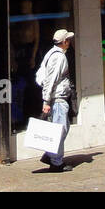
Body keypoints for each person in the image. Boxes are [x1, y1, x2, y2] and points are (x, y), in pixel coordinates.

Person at [37, 29, 75, 172]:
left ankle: (50, 155)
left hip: (56, 97)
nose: (69, 42)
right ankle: (56, 163)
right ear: (64, 42)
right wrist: (46, 101)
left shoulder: (50, 54)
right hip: (58, 98)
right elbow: (50, 79)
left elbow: (40, 75)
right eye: (68, 40)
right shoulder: (59, 57)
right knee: (60, 129)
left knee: (62, 128)